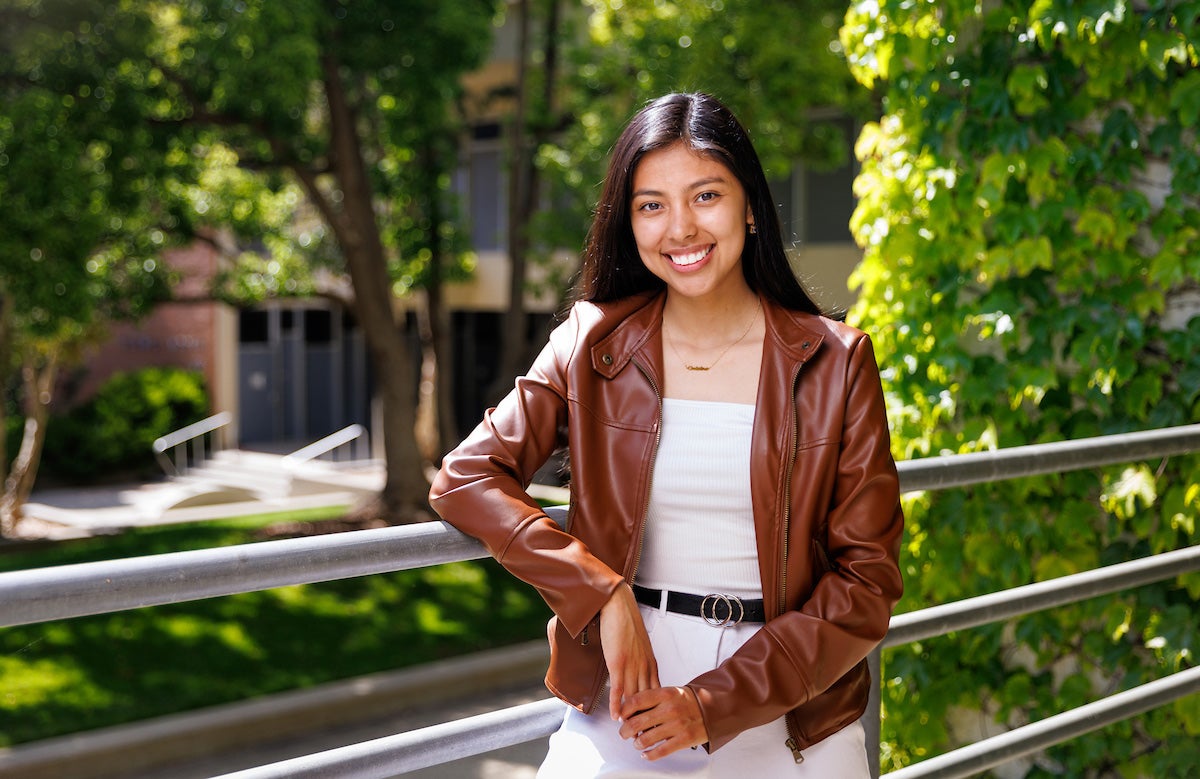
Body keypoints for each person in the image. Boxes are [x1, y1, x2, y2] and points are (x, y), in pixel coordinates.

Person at [430, 92, 903, 777]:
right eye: (651, 204)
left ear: (749, 205)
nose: (679, 227)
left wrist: (712, 702)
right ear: (628, 221)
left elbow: (867, 582)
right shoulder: (590, 342)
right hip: (625, 691)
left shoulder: (836, 361)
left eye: (705, 195)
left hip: (790, 704)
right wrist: (598, 590)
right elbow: (467, 477)